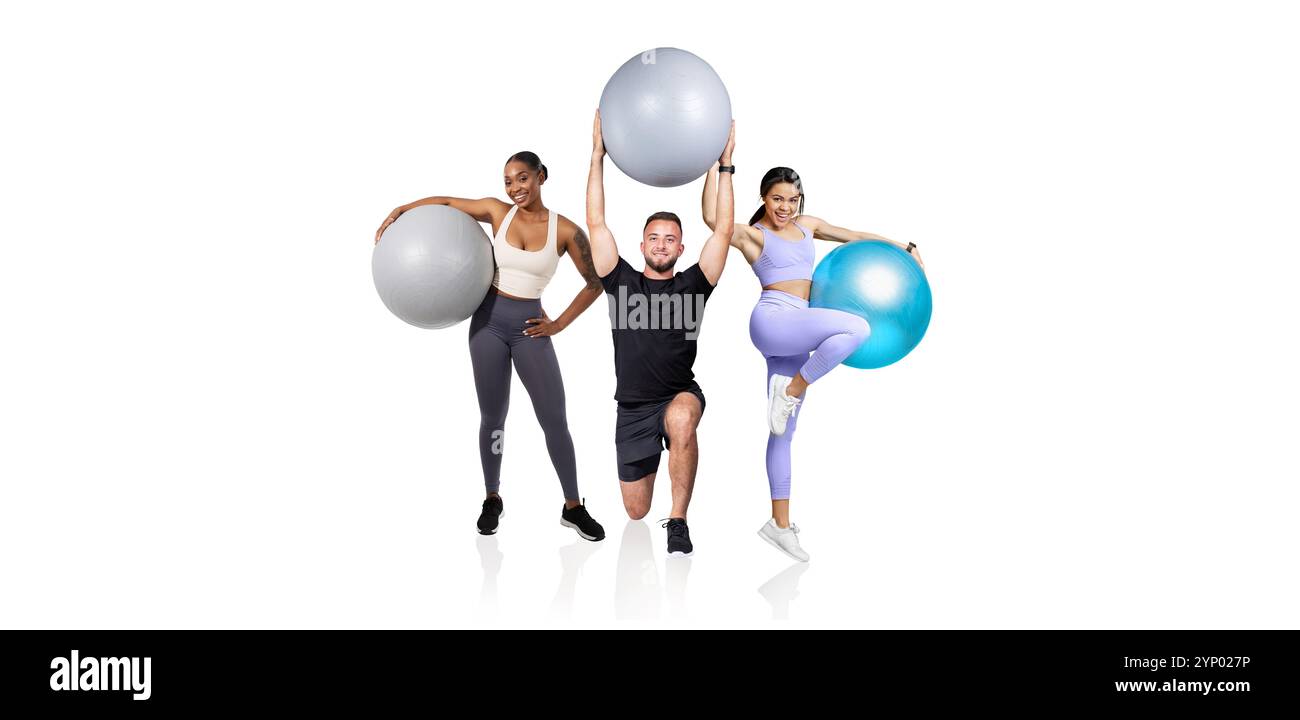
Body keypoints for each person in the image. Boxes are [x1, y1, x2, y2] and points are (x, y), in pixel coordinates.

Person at [376, 151, 606, 541]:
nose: (515, 188)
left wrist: (558, 324)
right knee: (492, 417)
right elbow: (447, 203)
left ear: (541, 177)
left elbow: (596, 282)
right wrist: (403, 209)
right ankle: (492, 498)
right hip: (488, 326)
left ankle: (573, 506)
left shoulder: (564, 231)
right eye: (508, 181)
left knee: (554, 420)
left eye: (522, 178)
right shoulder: (498, 212)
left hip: (530, 330)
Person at [701, 165, 925, 561]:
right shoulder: (756, 236)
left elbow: (855, 238)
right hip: (773, 320)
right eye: (776, 199)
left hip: (797, 329)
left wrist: (902, 250)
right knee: (856, 329)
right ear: (763, 199)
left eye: (792, 199)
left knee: (782, 432)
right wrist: (718, 167)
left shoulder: (807, 226)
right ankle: (791, 389)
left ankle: (779, 526)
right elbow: (711, 220)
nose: (785, 207)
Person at [586, 112, 735, 557]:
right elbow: (596, 223)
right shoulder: (619, 278)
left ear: (682, 248)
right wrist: (597, 156)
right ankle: (652, 484)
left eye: (671, 239)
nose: (662, 245)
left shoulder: (695, 282)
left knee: (683, 418)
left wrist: (724, 164)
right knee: (634, 511)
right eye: (655, 237)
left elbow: (724, 230)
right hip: (631, 405)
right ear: (642, 244)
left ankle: (679, 521)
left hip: (678, 394)